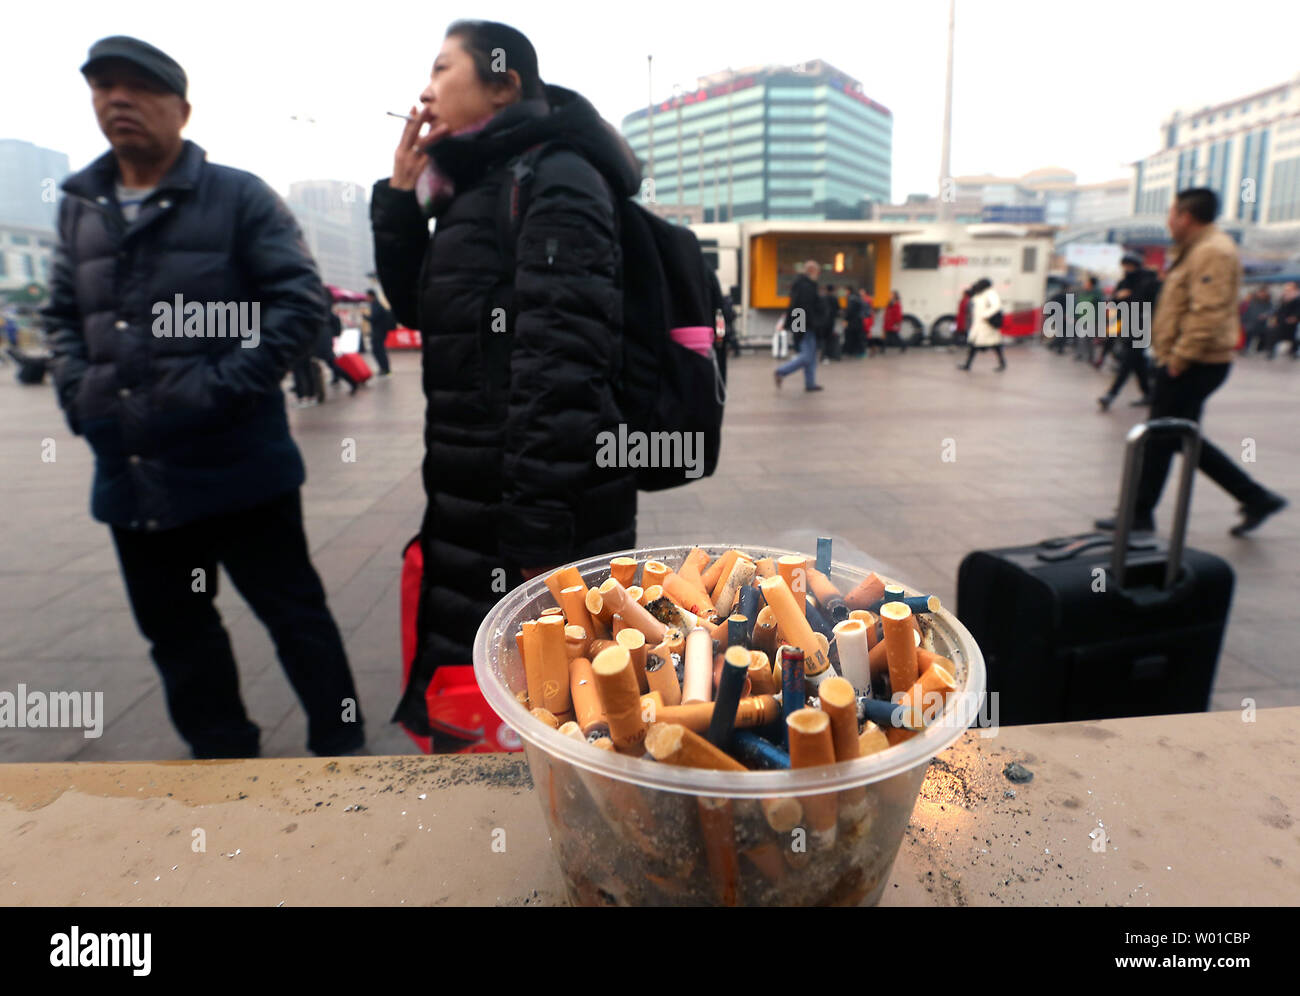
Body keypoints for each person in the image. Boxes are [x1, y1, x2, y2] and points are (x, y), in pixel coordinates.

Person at [43, 36, 364, 758]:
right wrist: (81, 393)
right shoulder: (81, 207)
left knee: (294, 614)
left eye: (138, 87)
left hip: (240, 463)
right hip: (132, 470)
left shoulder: (238, 196)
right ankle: (222, 761)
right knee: (178, 633)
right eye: (103, 87)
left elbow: (298, 305)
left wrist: (219, 389)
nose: (117, 100)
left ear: (182, 110)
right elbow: (62, 316)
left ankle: (342, 743)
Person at [371, 20, 639, 744]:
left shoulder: (554, 175)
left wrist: (539, 531)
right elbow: (422, 313)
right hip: (472, 490)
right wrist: (399, 201)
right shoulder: (474, 184)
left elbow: (562, 363)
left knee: (557, 702)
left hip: (537, 502)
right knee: (489, 698)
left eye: (441, 68)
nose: (425, 89)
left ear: (502, 82)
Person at [1094, 188, 1286, 537]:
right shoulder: (1197, 251)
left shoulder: (1213, 252)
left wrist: (1179, 359)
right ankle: (1255, 498)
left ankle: (1139, 515)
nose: (1168, 222)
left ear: (1185, 216)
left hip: (1195, 362)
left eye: (1171, 215)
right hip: (1189, 360)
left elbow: (1208, 312)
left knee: (1161, 437)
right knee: (1179, 438)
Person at [1097, 253, 1158, 410]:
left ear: (1137, 265)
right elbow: (1114, 303)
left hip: (1143, 326)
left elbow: (1155, 305)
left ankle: (1111, 394)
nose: (1127, 269)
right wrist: (1118, 297)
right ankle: (1149, 393)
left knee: (1128, 361)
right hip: (1126, 325)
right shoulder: (1124, 283)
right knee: (1138, 363)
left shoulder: (1150, 282)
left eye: (1130, 266)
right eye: (1125, 266)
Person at [773, 260, 824, 391]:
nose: (818, 275)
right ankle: (781, 371)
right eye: (817, 272)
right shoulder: (806, 286)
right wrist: (803, 327)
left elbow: (795, 306)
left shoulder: (801, 284)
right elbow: (803, 307)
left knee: (811, 355)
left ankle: (810, 383)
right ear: (812, 271)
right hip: (805, 324)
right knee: (807, 356)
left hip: (802, 322)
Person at [957, 277, 1006, 371]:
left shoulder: (991, 293)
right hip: (979, 325)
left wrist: (985, 315)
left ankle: (968, 365)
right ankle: (968, 365)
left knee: (991, 345)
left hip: (987, 325)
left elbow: (996, 306)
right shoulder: (980, 293)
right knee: (987, 345)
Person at [1266, 282, 1300, 359]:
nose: (1287, 291)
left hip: (1294, 323)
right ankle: (1270, 351)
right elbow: (1278, 310)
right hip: (1281, 321)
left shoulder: (1297, 299)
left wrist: (1295, 317)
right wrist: (1274, 318)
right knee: (1272, 332)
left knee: (1295, 336)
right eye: (1286, 289)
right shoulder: (1283, 299)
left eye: (1289, 289)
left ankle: (1294, 352)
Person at [365, 288, 394, 375]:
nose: (366, 298)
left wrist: (365, 317)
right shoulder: (376, 305)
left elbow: (374, 318)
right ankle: (384, 368)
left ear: (371, 296)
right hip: (379, 332)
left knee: (378, 350)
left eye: (367, 296)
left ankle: (385, 369)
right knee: (378, 350)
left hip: (379, 333)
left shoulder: (376, 305)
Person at [1240, 285, 1273, 356]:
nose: (1262, 294)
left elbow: (1272, 310)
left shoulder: (1268, 302)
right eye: (1261, 292)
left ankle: (1262, 349)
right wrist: (1244, 321)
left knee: (1268, 333)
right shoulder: (1252, 302)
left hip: (1262, 323)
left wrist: (1266, 315)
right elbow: (1247, 312)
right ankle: (1245, 348)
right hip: (1251, 322)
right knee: (1249, 332)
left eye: (1264, 293)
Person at [820, 283, 842, 360]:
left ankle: (823, 355)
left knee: (823, 339)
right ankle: (829, 354)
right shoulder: (834, 298)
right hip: (831, 321)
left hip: (823, 321)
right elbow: (838, 309)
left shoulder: (823, 298)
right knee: (830, 338)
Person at [842, 285, 865, 357]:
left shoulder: (851, 298)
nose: (845, 293)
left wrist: (846, 319)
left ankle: (851, 351)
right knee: (857, 337)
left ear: (848, 291)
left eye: (845, 291)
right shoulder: (856, 298)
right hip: (858, 321)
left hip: (853, 321)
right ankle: (858, 351)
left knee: (851, 336)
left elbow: (850, 311)